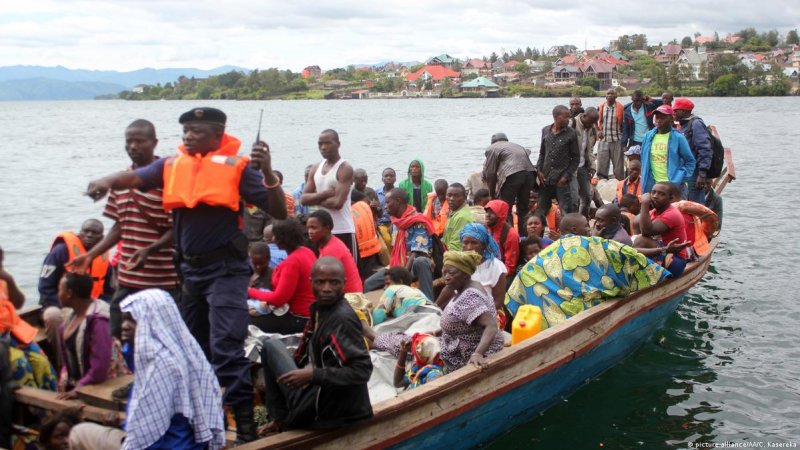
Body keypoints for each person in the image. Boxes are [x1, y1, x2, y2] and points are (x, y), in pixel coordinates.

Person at [85, 106, 287, 442]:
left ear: (218, 136)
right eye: (185, 133)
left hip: (226, 270)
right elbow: (134, 178)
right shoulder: (170, 165)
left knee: (225, 345)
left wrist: (267, 172)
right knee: (192, 348)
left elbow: (278, 211)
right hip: (191, 272)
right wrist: (106, 181)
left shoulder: (237, 169)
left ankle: (247, 429)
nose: (188, 137)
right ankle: (205, 418)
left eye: (196, 132)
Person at [69, 289, 226, 450]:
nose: (124, 327)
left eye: (132, 321)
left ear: (153, 321)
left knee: (78, 433)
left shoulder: (160, 365)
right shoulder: (184, 353)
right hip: (184, 443)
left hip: (169, 446)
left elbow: (149, 436)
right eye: (124, 321)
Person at [68, 119, 178, 340]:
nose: (133, 147)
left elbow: (179, 229)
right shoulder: (119, 181)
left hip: (162, 279)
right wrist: (90, 256)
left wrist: (150, 249)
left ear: (154, 142)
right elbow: (119, 226)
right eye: (129, 142)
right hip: (128, 277)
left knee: (161, 339)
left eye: (140, 141)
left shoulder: (170, 180)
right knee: (119, 334)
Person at [257, 257, 373, 433]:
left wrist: (313, 375)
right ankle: (280, 418)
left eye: (333, 283)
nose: (326, 289)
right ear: (311, 283)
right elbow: (305, 350)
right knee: (270, 345)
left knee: (270, 347)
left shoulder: (340, 319)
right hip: (320, 395)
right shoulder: (320, 309)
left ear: (344, 283)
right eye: (320, 282)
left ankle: (285, 420)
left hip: (329, 412)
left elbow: (362, 370)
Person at [505, 213, 670, 324]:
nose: (589, 229)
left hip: (549, 315)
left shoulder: (546, 253)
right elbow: (627, 254)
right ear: (575, 230)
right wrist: (662, 265)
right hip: (580, 311)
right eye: (586, 226)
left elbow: (524, 278)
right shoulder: (594, 244)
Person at [39, 219, 113, 364]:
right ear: (80, 233)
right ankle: (63, 364)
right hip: (60, 306)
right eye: (86, 231)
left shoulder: (103, 258)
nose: (89, 235)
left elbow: (109, 292)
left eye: (94, 233)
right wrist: (68, 310)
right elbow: (45, 288)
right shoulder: (61, 251)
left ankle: (102, 364)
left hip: (91, 307)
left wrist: (97, 310)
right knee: (53, 317)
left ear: (102, 238)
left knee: (112, 314)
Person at [363, 188, 436, 300]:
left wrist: (400, 276)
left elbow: (416, 253)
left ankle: (428, 302)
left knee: (421, 262)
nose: (385, 206)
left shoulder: (417, 221)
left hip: (413, 267)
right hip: (399, 265)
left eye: (388, 202)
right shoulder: (397, 222)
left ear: (398, 201)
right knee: (368, 283)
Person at [1, 246, 57, 391]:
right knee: (21, 366)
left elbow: (19, 303)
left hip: (13, 334)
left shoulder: (3, 280)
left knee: (41, 362)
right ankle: (37, 410)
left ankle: (53, 405)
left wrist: (9, 279)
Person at [437, 251, 504, 372]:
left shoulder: (470, 297)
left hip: (469, 354)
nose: (446, 277)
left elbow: (491, 325)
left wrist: (477, 354)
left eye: (451, 273)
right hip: (456, 346)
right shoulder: (467, 286)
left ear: (465, 274)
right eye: (444, 273)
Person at [248, 218, 317, 334]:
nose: (273, 240)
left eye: (275, 236)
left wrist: (250, 291)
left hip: (298, 318)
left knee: (246, 321)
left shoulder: (292, 262)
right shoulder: (306, 251)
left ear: (282, 239)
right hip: (309, 314)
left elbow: (278, 299)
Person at [55, 273, 116, 399]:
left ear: (69, 294)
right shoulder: (69, 317)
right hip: (78, 381)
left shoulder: (98, 322)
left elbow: (99, 370)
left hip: (102, 385)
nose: (58, 294)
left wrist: (78, 389)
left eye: (60, 290)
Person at [301, 129, 358, 263]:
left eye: (328, 143)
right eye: (320, 144)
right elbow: (303, 199)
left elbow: (338, 203)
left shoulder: (345, 169)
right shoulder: (316, 168)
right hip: (321, 231)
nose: (323, 147)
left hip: (343, 229)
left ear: (338, 144)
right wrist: (325, 194)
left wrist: (314, 199)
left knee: (348, 273)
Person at [482, 132, 536, 236]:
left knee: (506, 208)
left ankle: (509, 236)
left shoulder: (492, 148)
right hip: (530, 174)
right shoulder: (517, 146)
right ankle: (523, 236)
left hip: (513, 175)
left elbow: (491, 173)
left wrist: (492, 195)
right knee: (523, 208)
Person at [635, 183, 692, 277]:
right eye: (653, 192)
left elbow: (646, 232)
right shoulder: (654, 212)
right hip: (663, 251)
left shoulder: (672, 214)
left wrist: (644, 203)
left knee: (641, 241)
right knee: (633, 244)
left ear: (671, 198)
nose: (655, 196)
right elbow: (636, 223)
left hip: (675, 261)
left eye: (662, 194)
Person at [640, 105, 696, 195]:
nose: (659, 120)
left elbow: (690, 161)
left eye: (662, 117)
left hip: (673, 185)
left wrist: (681, 177)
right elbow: (643, 157)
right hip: (652, 184)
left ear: (671, 118)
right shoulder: (648, 136)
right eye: (657, 117)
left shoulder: (678, 138)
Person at [536, 105, 579, 218]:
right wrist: (539, 170)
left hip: (561, 180)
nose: (568, 120)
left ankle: (567, 235)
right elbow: (542, 153)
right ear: (556, 117)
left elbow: (575, 158)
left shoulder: (571, 133)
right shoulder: (545, 131)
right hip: (545, 180)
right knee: (540, 211)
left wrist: (566, 176)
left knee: (565, 212)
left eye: (569, 117)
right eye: (565, 117)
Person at [307, 210, 362, 293]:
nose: (310, 232)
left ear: (327, 228)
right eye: (308, 228)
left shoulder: (331, 249)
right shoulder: (328, 244)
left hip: (350, 297)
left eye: (314, 228)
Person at [673, 98, 714, 204]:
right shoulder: (683, 125)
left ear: (684, 111)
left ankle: (698, 221)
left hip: (694, 172)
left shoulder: (696, 124)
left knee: (694, 203)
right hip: (685, 171)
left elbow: (705, 149)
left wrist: (702, 174)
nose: (674, 113)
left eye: (676, 110)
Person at [570, 107, 598, 218]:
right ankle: (572, 222)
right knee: (574, 198)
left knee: (587, 196)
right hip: (571, 168)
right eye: (590, 122)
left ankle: (583, 219)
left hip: (583, 167)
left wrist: (592, 166)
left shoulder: (591, 128)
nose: (591, 124)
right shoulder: (572, 124)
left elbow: (590, 149)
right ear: (584, 116)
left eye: (593, 122)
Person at [350, 190, 381, 282]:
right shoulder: (365, 206)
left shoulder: (353, 210)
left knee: (361, 274)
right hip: (372, 247)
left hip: (361, 249)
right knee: (367, 273)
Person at [484, 200, 519, 277]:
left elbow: (510, 266)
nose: (487, 215)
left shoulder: (510, 235)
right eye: (487, 212)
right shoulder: (485, 229)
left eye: (492, 212)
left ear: (500, 215)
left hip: (502, 274)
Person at [596, 88, 625, 180]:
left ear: (616, 96)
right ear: (605, 95)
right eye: (608, 93)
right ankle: (601, 181)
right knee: (602, 164)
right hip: (603, 140)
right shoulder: (601, 107)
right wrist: (598, 131)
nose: (609, 95)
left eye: (612, 94)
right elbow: (595, 121)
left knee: (618, 166)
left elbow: (624, 124)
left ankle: (619, 182)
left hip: (616, 139)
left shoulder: (620, 107)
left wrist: (624, 140)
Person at [442, 183, 476, 252]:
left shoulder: (462, 217)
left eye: (456, 196)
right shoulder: (455, 212)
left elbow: (456, 247)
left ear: (465, 198)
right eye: (449, 195)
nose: (451, 199)